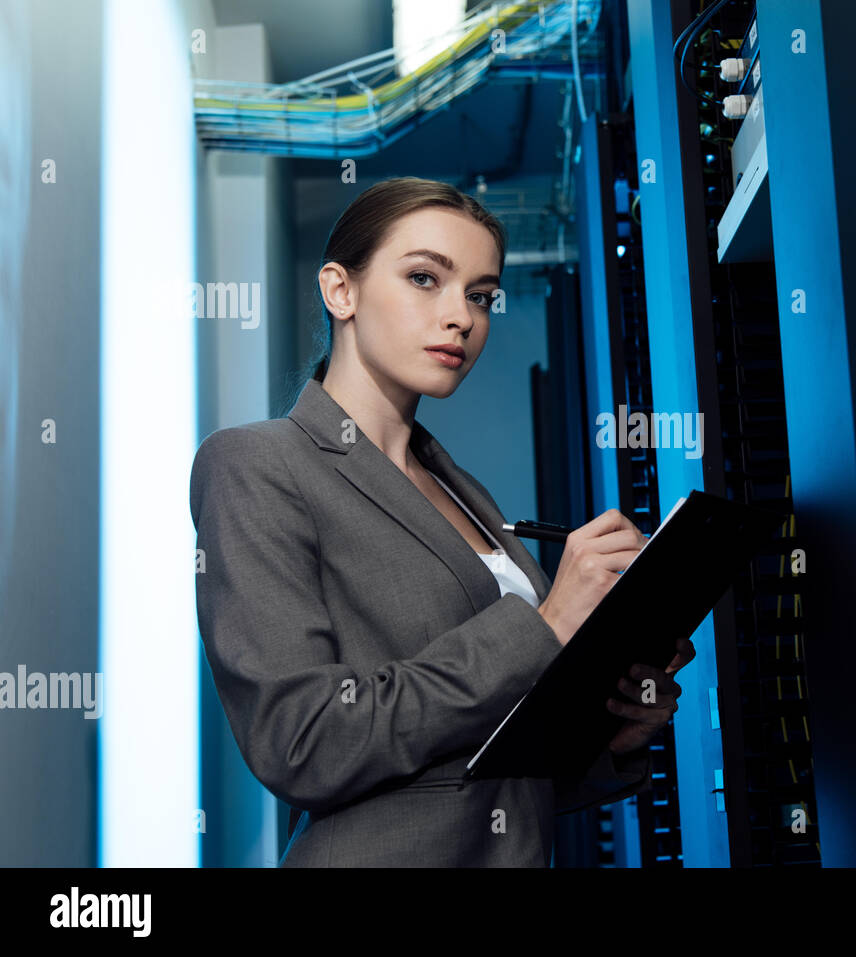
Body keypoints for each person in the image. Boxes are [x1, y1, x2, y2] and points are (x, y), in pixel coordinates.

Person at [189, 177, 694, 866]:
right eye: (425, 278)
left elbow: (475, 771)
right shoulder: (256, 464)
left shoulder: (465, 491)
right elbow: (301, 742)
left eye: (481, 295)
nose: (461, 317)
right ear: (341, 290)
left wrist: (608, 739)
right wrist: (546, 625)